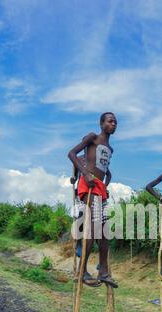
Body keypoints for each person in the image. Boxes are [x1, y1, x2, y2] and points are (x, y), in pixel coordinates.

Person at [68, 112, 117, 288]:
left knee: (103, 232)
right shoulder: (93, 137)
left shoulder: (110, 149)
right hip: (88, 186)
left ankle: (103, 271)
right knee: (93, 228)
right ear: (101, 123)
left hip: (99, 189)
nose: (114, 124)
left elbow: (105, 171)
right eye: (110, 121)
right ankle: (82, 270)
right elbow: (72, 154)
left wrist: (106, 187)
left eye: (115, 122)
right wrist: (84, 174)